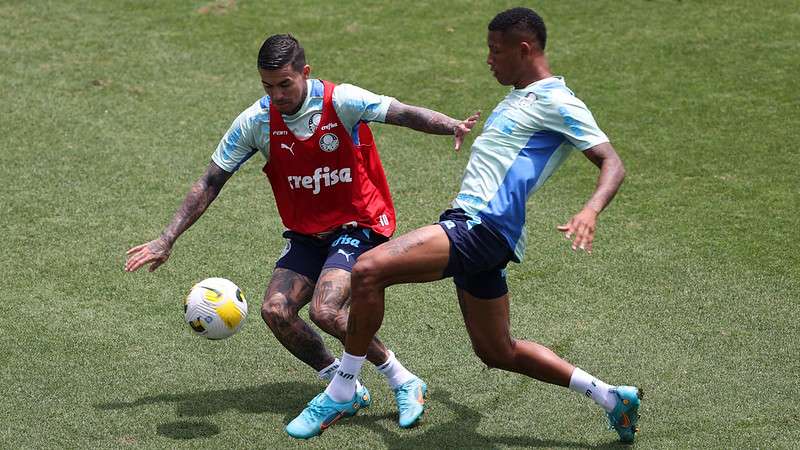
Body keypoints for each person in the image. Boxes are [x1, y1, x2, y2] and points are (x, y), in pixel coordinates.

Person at [288, 7, 642, 443]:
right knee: (497, 351)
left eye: (496, 51)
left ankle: (342, 388)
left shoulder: (557, 100)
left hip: (482, 226)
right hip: (481, 232)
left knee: (367, 270)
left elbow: (612, 162)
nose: (488, 59)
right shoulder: (517, 97)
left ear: (524, 49)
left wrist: (590, 210)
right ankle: (610, 397)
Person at [125, 34, 478, 431]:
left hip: (358, 224)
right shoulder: (255, 122)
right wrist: (166, 237)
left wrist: (451, 126)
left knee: (325, 310)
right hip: (307, 234)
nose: (276, 95)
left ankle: (404, 380)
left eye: (284, 84)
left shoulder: (340, 100)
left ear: (304, 73)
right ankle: (341, 385)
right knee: (275, 311)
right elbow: (210, 181)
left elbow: (401, 112)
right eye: (267, 86)